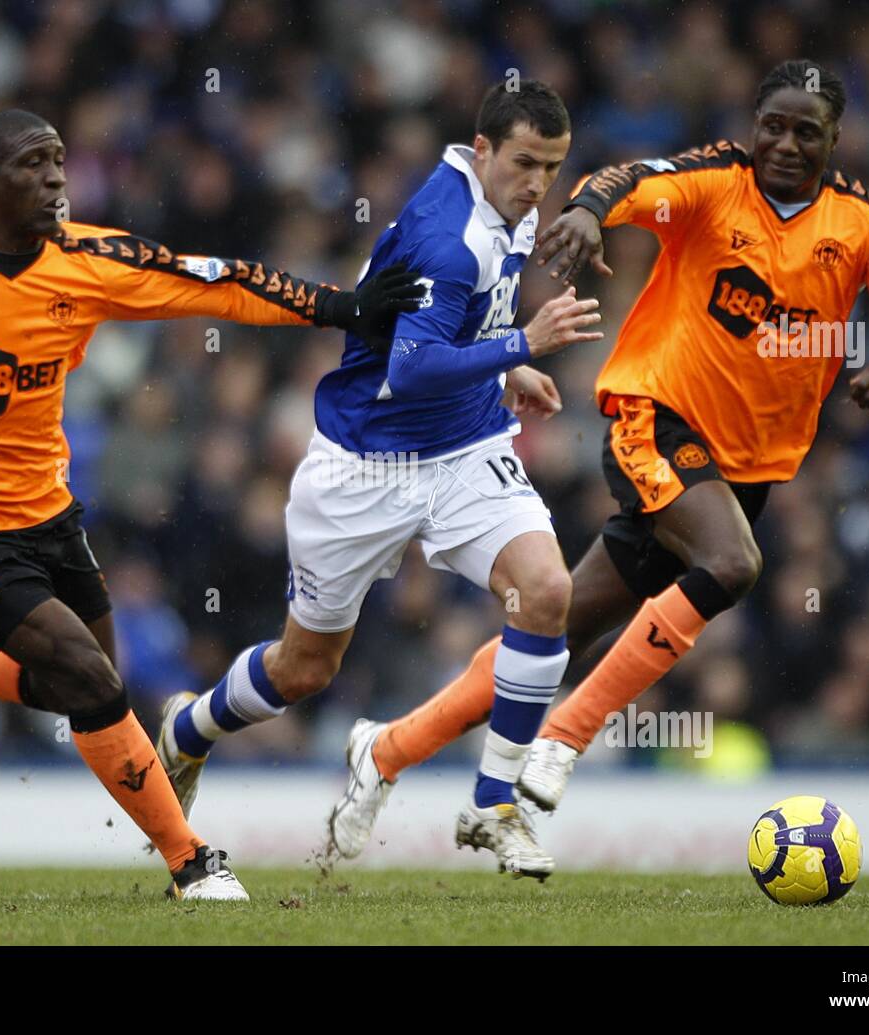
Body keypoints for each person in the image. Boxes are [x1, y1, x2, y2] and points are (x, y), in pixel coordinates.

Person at [0, 108, 422, 901]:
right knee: (90, 682)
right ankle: (192, 861)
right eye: (35, 165)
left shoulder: (86, 259)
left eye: (60, 162)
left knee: (65, 685)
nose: (56, 178)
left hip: (49, 512)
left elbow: (211, 282)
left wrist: (340, 307)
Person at [327, 59, 869, 855]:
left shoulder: (862, 222)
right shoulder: (713, 181)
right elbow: (626, 179)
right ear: (753, 121)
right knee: (734, 565)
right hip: (653, 418)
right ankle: (565, 737)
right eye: (773, 124)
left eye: (808, 131)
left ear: (835, 138)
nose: (786, 143)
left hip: (747, 465)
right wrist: (593, 212)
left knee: (551, 639)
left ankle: (384, 750)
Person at [157, 81, 603, 880]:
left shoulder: (512, 205)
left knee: (546, 590)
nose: (538, 183)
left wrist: (505, 367)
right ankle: (189, 732)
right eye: (526, 163)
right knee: (304, 669)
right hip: (365, 466)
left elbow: (455, 326)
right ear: (482, 151)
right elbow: (412, 364)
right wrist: (520, 346)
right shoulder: (448, 233)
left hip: (464, 449)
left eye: (553, 166)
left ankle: (495, 804)